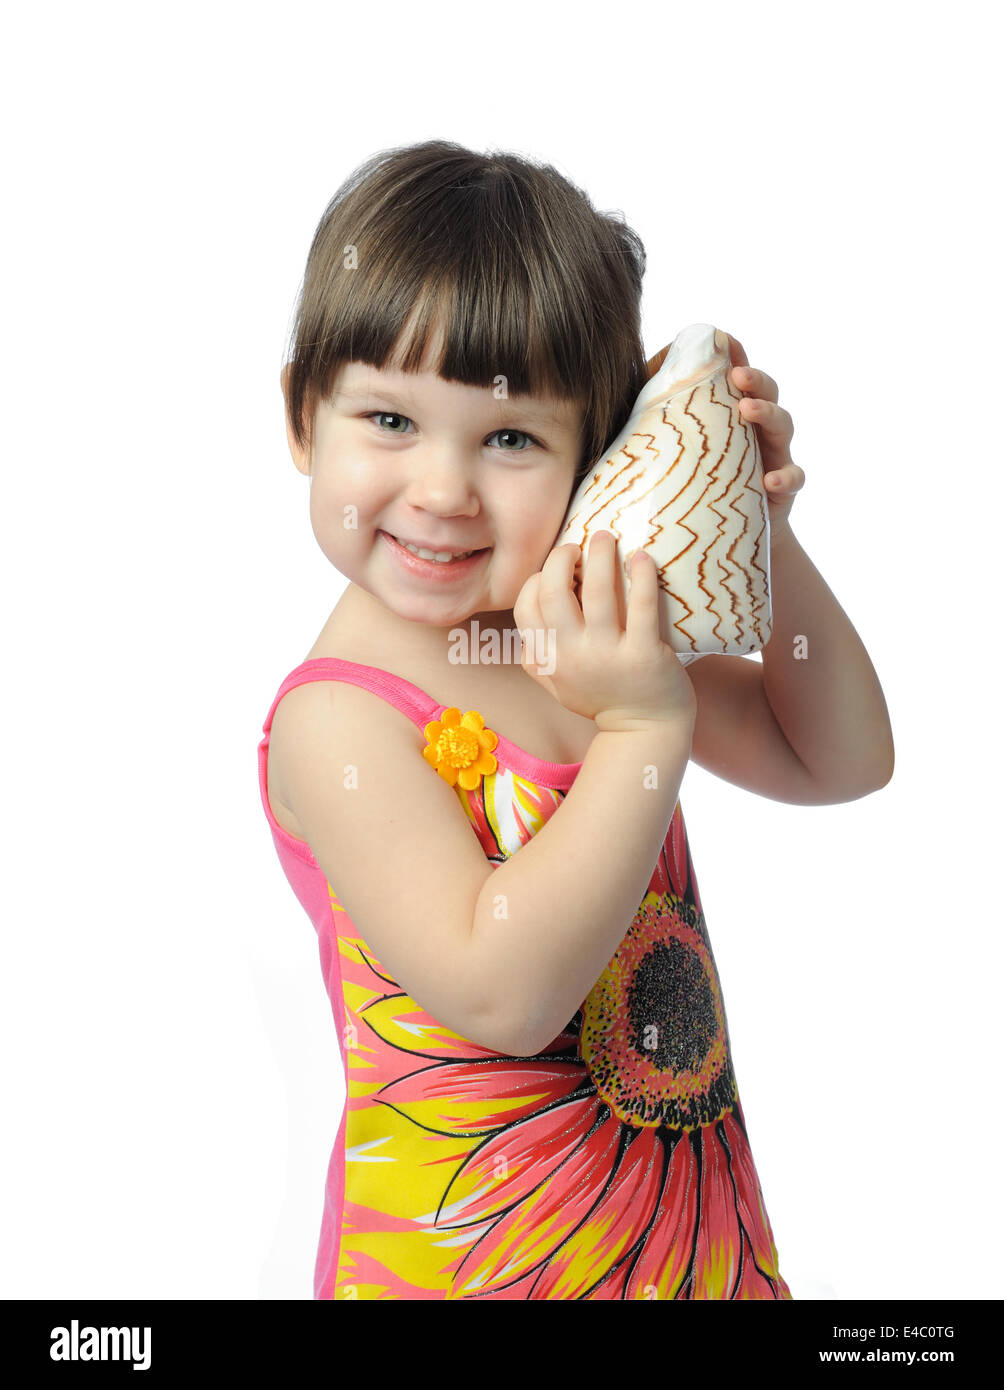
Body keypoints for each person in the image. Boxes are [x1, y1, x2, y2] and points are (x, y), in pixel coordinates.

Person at [256, 140, 895, 1301]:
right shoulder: (340, 721)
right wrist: (643, 729)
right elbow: (502, 994)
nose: (443, 489)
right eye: (389, 420)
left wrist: (757, 530)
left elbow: (836, 756)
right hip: (471, 1265)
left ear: (593, 455)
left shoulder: (572, 627)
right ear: (303, 420)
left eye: (508, 438)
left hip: (682, 1250)